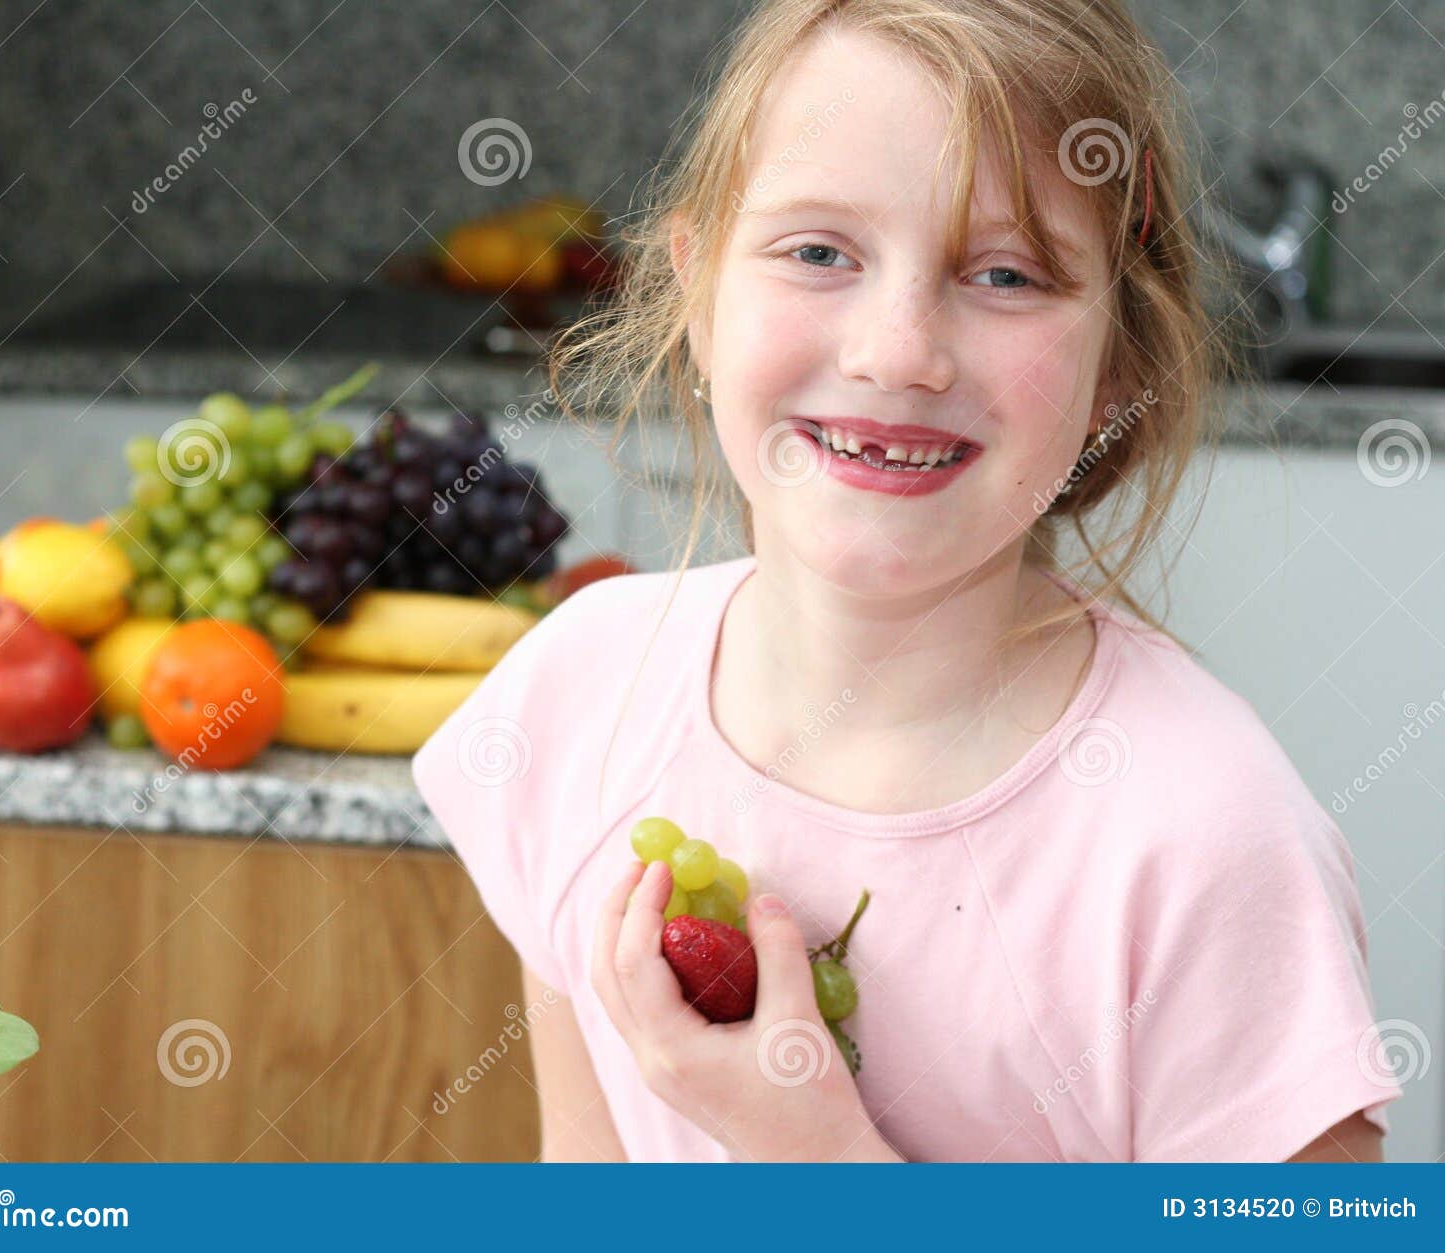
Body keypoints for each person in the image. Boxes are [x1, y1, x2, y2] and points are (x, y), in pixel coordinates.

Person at [412, 0, 1402, 1162]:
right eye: (818, 252)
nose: (896, 352)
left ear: (1117, 362)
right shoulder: (578, 695)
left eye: (1005, 274)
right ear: (696, 291)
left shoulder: (1203, 840)